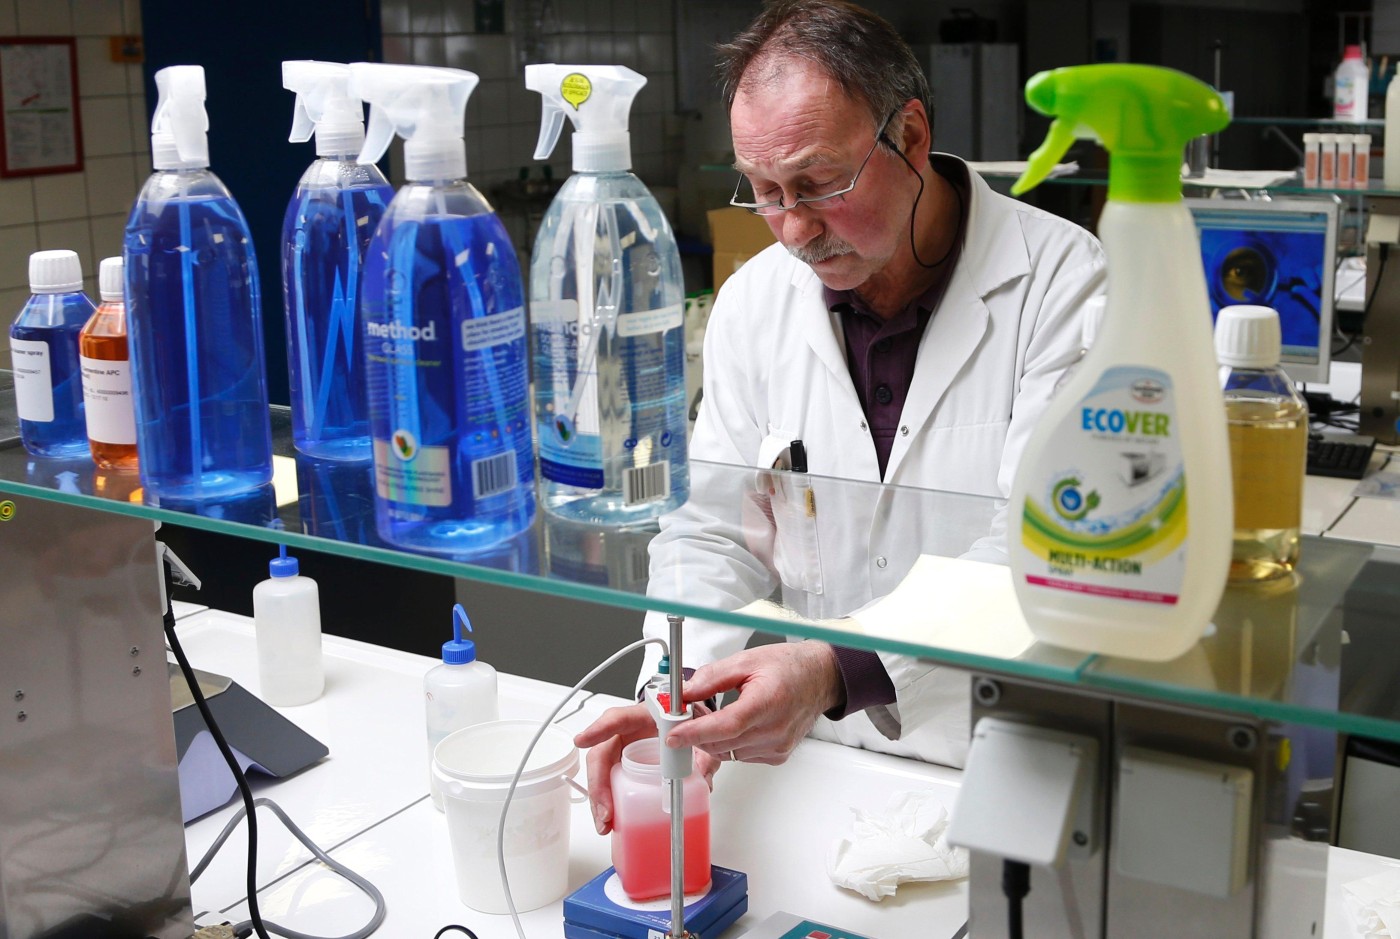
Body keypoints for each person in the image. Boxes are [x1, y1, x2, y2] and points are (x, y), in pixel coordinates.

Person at [575, 0, 1106, 836]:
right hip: (821, 774)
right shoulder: (757, 302)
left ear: (912, 137)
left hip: (1007, 766)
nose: (794, 228)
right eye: (766, 193)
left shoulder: (1061, 283)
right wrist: (676, 692)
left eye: (821, 183)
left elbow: (1044, 547)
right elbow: (711, 530)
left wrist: (833, 669)